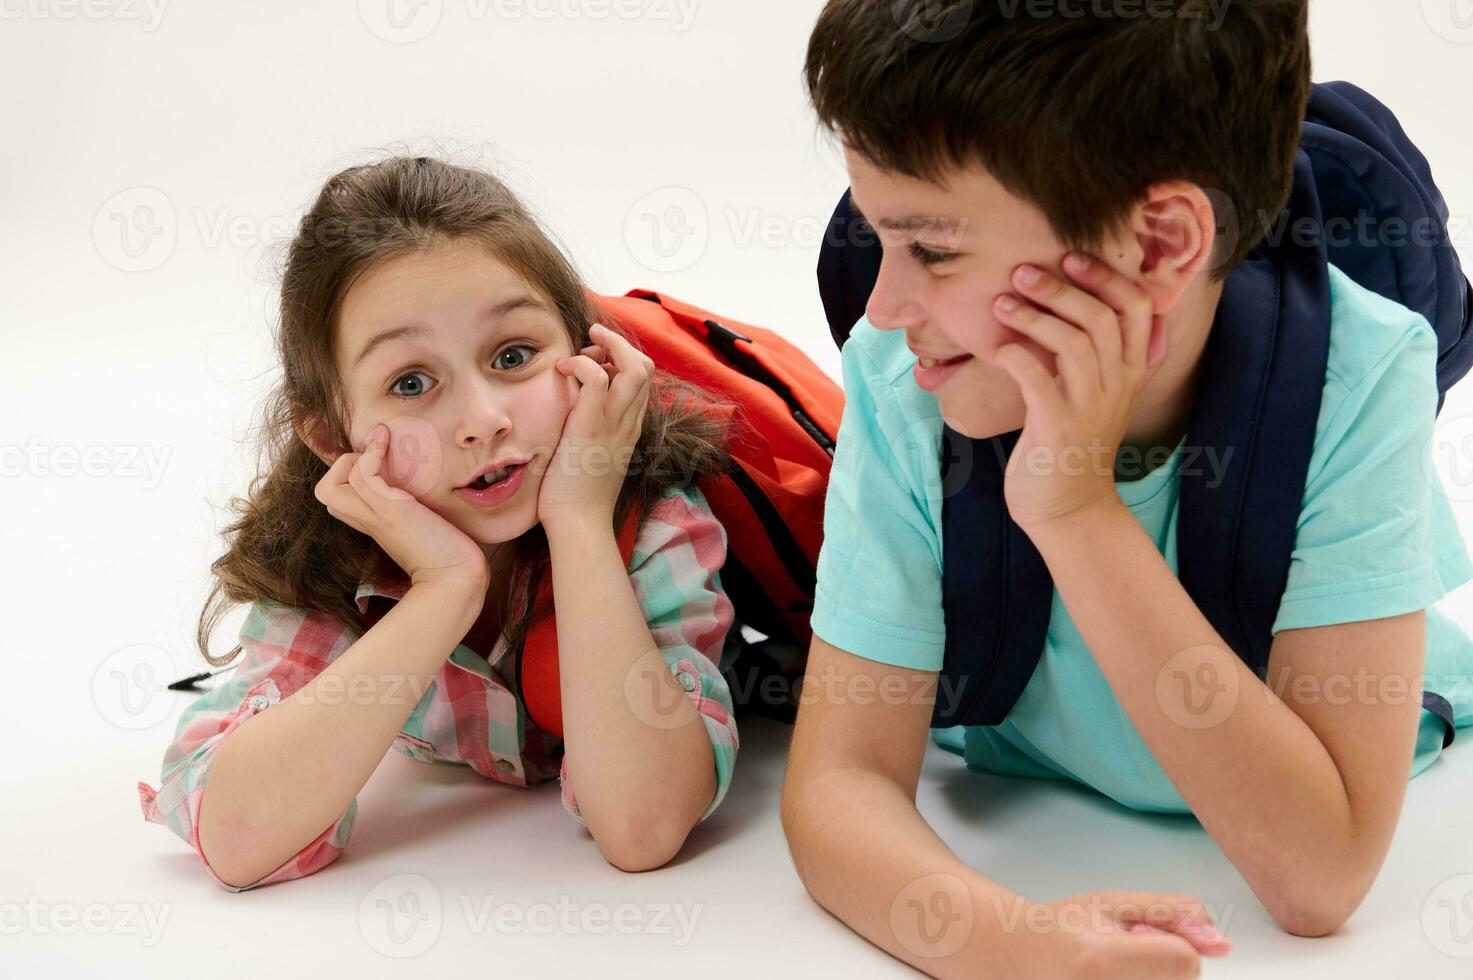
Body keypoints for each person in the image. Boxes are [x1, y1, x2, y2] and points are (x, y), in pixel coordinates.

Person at [781, 1, 1473, 976]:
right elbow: (838, 784)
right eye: (876, 235)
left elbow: (1319, 878)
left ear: (1157, 246)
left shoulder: (1359, 378)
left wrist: (1074, 509)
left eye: (932, 250)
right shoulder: (904, 373)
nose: (884, 306)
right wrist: (1016, 945)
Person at [137, 155, 742, 891]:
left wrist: (579, 521)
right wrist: (443, 588)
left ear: (585, 356)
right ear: (334, 437)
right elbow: (238, 840)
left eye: (513, 355)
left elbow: (642, 825)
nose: (481, 422)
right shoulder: (332, 551)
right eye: (411, 383)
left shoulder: (652, 524)